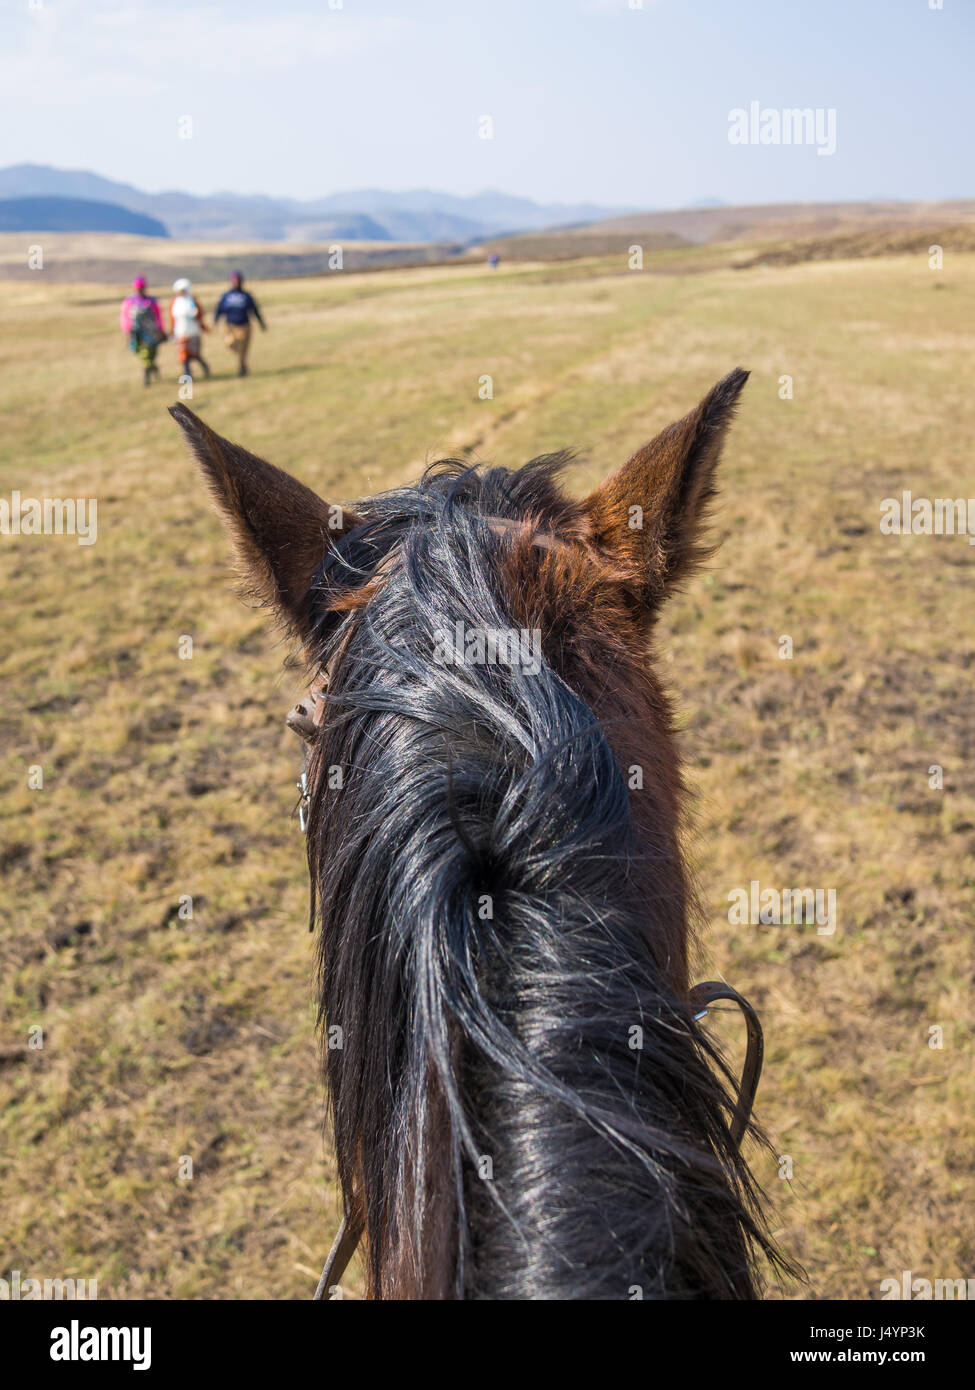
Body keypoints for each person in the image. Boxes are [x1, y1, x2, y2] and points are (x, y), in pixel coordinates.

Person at [213, 271, 267, 377]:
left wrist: (261, 323)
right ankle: (242, 364)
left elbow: (254, 310)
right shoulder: (226, 296)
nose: (236, 283)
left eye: (238, 280)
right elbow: (219, 309)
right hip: (229, 326)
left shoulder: (246, 296)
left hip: (244, 326)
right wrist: (215, 320)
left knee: (242, 349)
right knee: (230, 343)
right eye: (234, 281)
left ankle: (242, 369)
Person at [120, 276, 166, 386]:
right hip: (136, 334)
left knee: (152, 352)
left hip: (151, 332)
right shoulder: (129, 301)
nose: (139, 289)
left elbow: (158, 316)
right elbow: (125, 317)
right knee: (142, 352)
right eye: (137, 287)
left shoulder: (151, 301)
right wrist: (127, 330)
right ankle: (147, 372)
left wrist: (160, 329)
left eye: (141, 287)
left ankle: (152, 367)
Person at [169, 278, 210, 380]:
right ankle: (187, 375)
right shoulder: (175, 302)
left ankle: (205, 367)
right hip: (181, 333)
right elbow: (173, 318)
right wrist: (172, 331)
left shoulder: (192, 301)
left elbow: (200, 315)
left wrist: (203, 326)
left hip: (193, 332)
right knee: (184, 356)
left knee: (195, 354)